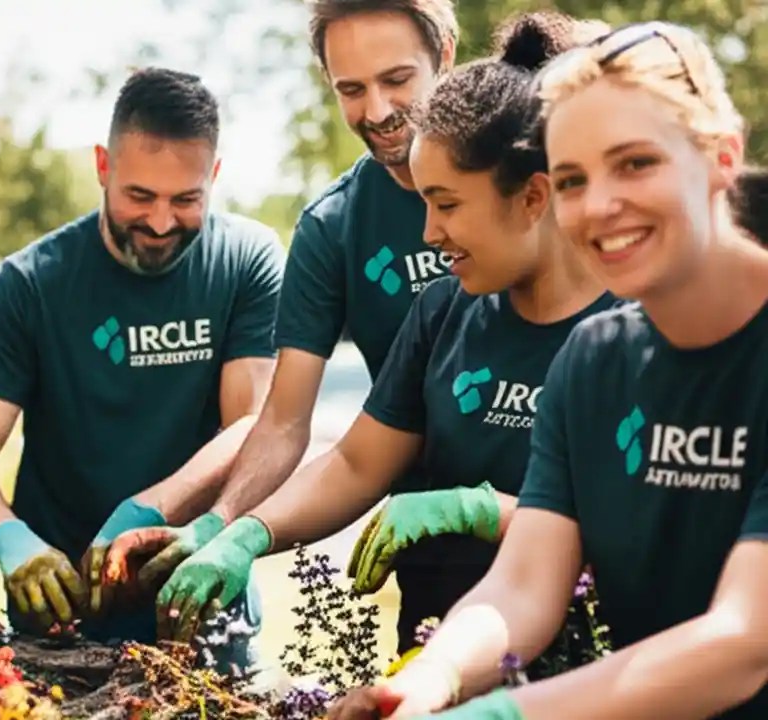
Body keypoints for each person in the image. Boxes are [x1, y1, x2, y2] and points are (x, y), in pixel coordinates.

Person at [115, 12, 620, 653]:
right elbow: (350, 459)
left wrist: (477, 509)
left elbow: (641, 528)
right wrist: (237, 531)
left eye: (449, 205)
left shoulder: (626, 333)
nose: (429, 234)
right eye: (350, 88)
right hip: (439, 639)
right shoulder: (437, 308)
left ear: (532, 196)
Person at [329, 21, 768, 720]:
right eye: (572, 178)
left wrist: (509, 714)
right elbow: (527, 582)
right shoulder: (594, 361)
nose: (598, 206)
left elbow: (745, 640)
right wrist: (434, 675)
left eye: (634, 164)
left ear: (721, 157)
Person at [101, 0, 460, 629]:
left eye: (396, 80)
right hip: (427, 550)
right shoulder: (334, 226)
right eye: (351, 89)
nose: (374, 111)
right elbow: (285, 422)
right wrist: (222, 525)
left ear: (445, 56)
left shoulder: (533, 173)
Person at [0, 67, 283, 669]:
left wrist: (149, 509)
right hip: (65, 615)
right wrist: (14, 544)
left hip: (199, 600)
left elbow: (253, 424)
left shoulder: (247, 261)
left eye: (186, 199)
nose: (161, 222)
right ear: (103, 166)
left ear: (214, 176)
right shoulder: (31, 282)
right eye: (139, 196)